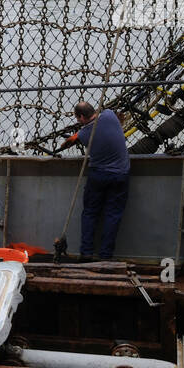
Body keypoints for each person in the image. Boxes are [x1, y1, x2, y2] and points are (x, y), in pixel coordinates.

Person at [66, 101, 130, 261]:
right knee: (113, 215)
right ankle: (105, 256)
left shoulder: (84, 135)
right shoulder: (109, 115)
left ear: (81, 117)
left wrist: (74, 136)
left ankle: (86, 253)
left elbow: (79, 136)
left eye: (78, 118)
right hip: (121, 174)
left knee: (90, 213)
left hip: (99, 175)